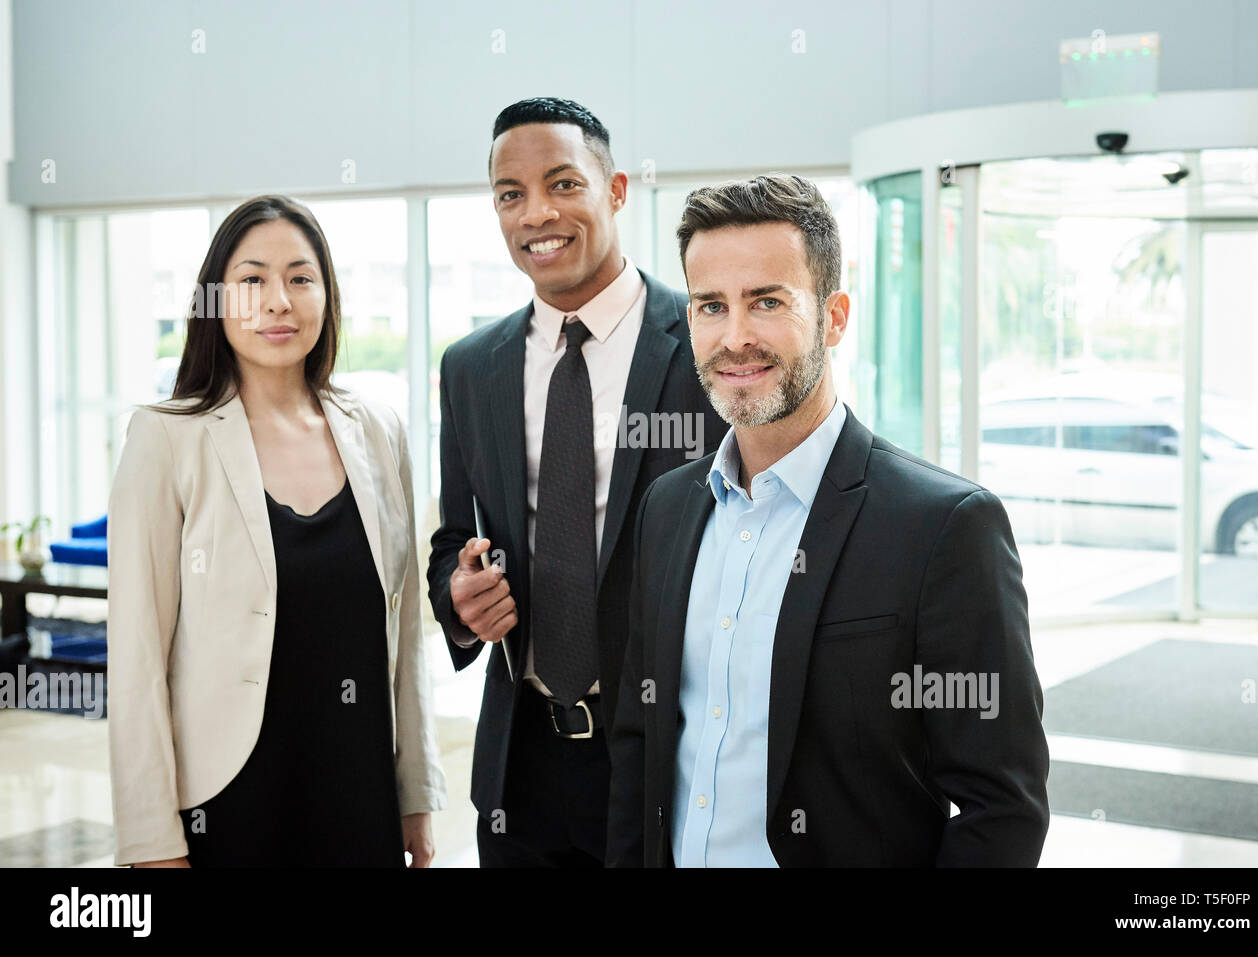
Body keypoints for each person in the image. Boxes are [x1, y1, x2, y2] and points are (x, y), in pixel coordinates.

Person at [606, 174, 1050, 867]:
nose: (736, 336)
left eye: (768, 302)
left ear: (835, 316)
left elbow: (1004, 807)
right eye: (711, 306)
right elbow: (640, 739)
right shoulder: (667, 508)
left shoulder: (944, 527)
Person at [427, 97, 726, 867]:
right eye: (509, 194)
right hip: (520, 770)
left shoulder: (706, 348)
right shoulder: (471, 367)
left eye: (563, 184)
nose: (536, 214)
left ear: (617, 190)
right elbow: (455, 539)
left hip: (668, 756)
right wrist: (459, 601)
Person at [108, 195, 447, 867]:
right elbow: (138, 659)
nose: (278, 301)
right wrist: (151, 839)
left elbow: (405, 634)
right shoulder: (166, 437)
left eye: (300, 277)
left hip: (359, 794)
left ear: (327, 294)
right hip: (227, 803)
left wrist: (415, 793)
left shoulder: (378, 431)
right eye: (252, 279)